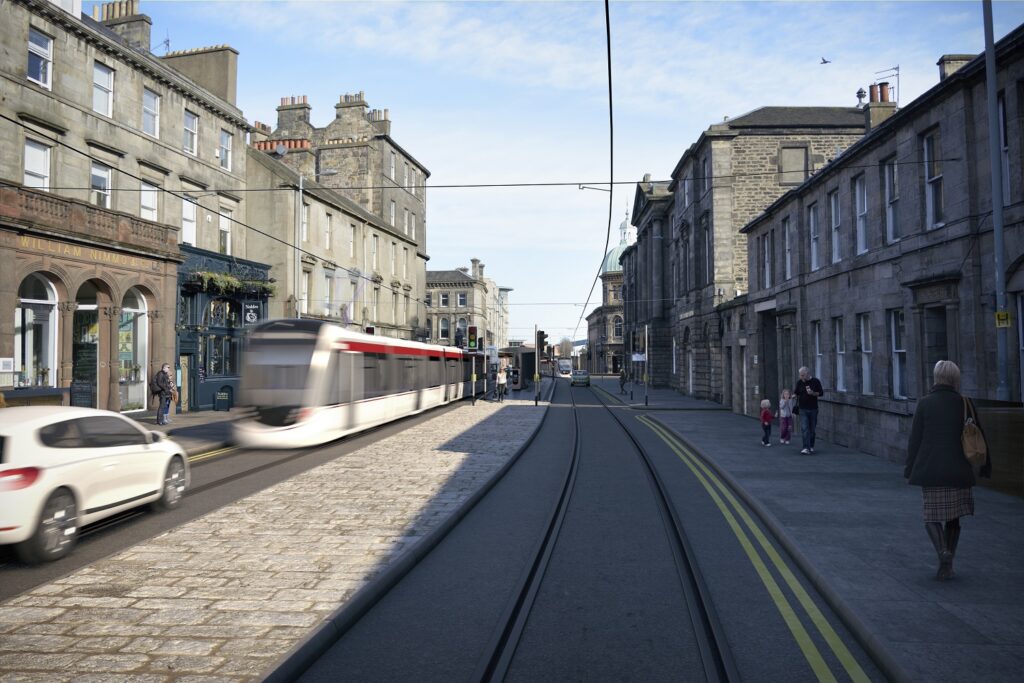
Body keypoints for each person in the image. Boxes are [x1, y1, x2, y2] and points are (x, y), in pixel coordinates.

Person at [905, 360, 991, 580]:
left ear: (936, 377)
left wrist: (909, 468)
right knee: (953, 518)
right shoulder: (965, 403)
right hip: (959, 469)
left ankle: (942, 551)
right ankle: (947, 565)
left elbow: (915, 440)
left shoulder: (924, 403)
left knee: (931, 516)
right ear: (955, 378)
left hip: (931, 469)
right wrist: (985, 466)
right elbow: (978, 435)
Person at [794, 366, 824, 454]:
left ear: (807, 374)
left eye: (802, 375)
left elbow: (821, 393)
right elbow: (796, 392)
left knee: (812, 430)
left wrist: (813, 393)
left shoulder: (815, 381)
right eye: (800, 375)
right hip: (803, 408)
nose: (801, 377)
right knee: (804, 428)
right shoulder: (799, 382)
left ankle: (811, 445)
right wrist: (792, 396)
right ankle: (805, 447)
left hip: (813, 409)